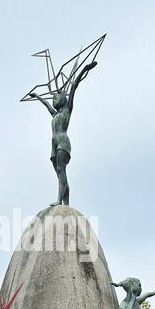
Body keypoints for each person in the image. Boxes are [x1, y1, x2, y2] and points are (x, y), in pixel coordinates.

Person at [27, 58, 98, 205]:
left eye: (56, 97)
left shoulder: (67, 110)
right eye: (53, 98)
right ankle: (66, 203)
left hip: (63, 143)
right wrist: (38, 97)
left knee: (61, 171)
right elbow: (46, 105)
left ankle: (59, 200)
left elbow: (73, 86)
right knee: (60, 174)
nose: (53, 99)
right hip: (54, 145)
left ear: (64, 100)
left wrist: (85, 68)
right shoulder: (55, 114)